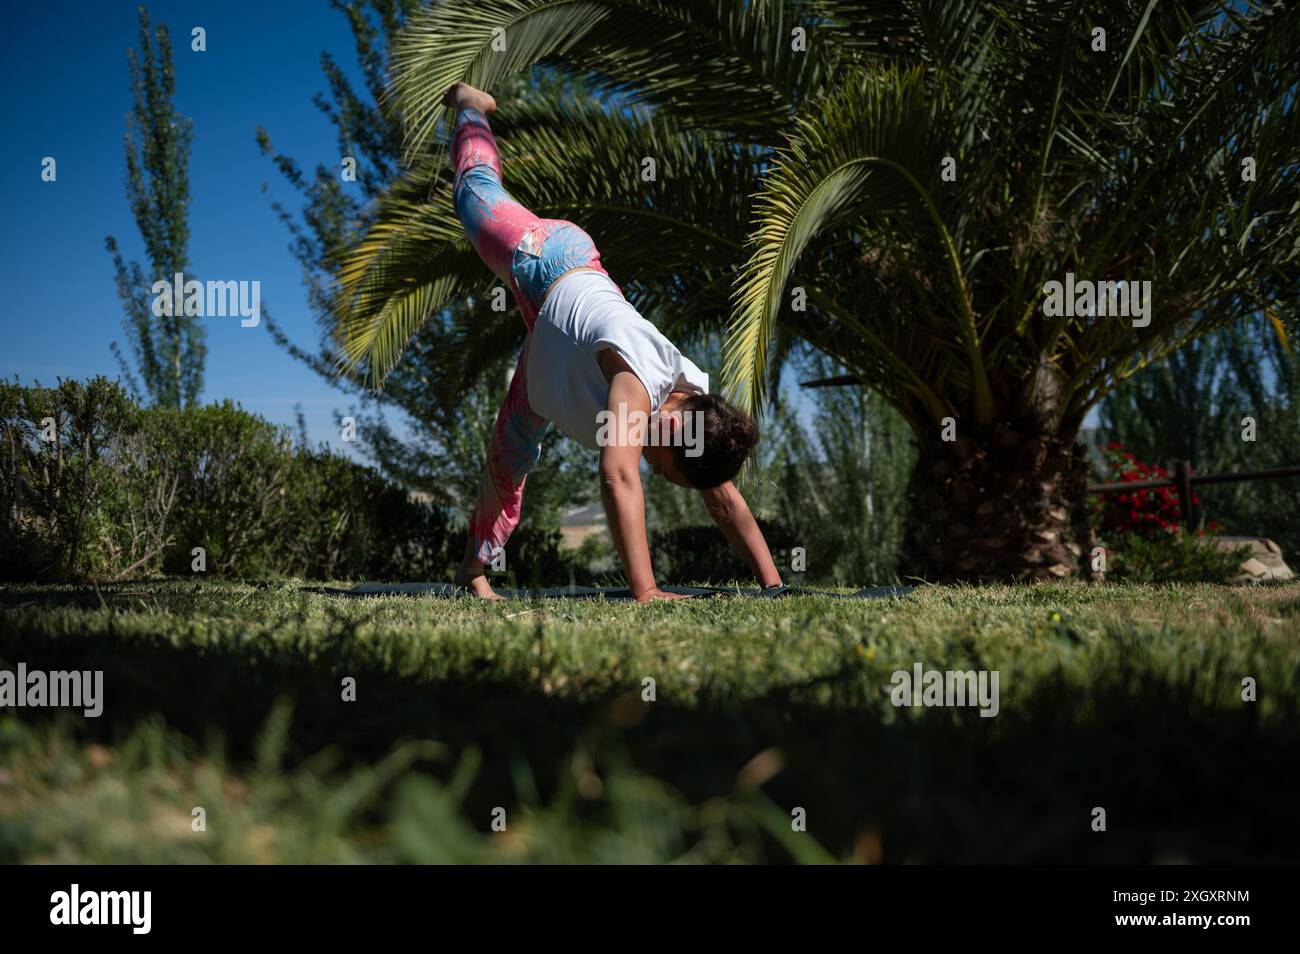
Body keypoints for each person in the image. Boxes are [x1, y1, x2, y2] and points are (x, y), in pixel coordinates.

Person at [444, 82, 782, 602]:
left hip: (545, 358)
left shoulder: (693, 424)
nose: (653, 466)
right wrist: (646, 591)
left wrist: (772, 586)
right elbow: (617, 477)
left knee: (508, 458)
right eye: (662, 467)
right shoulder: (637, 382)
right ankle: (472, 107)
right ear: (672, 429)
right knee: (473, 197)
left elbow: (725, 502)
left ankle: (471, 571)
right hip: (549, 262)